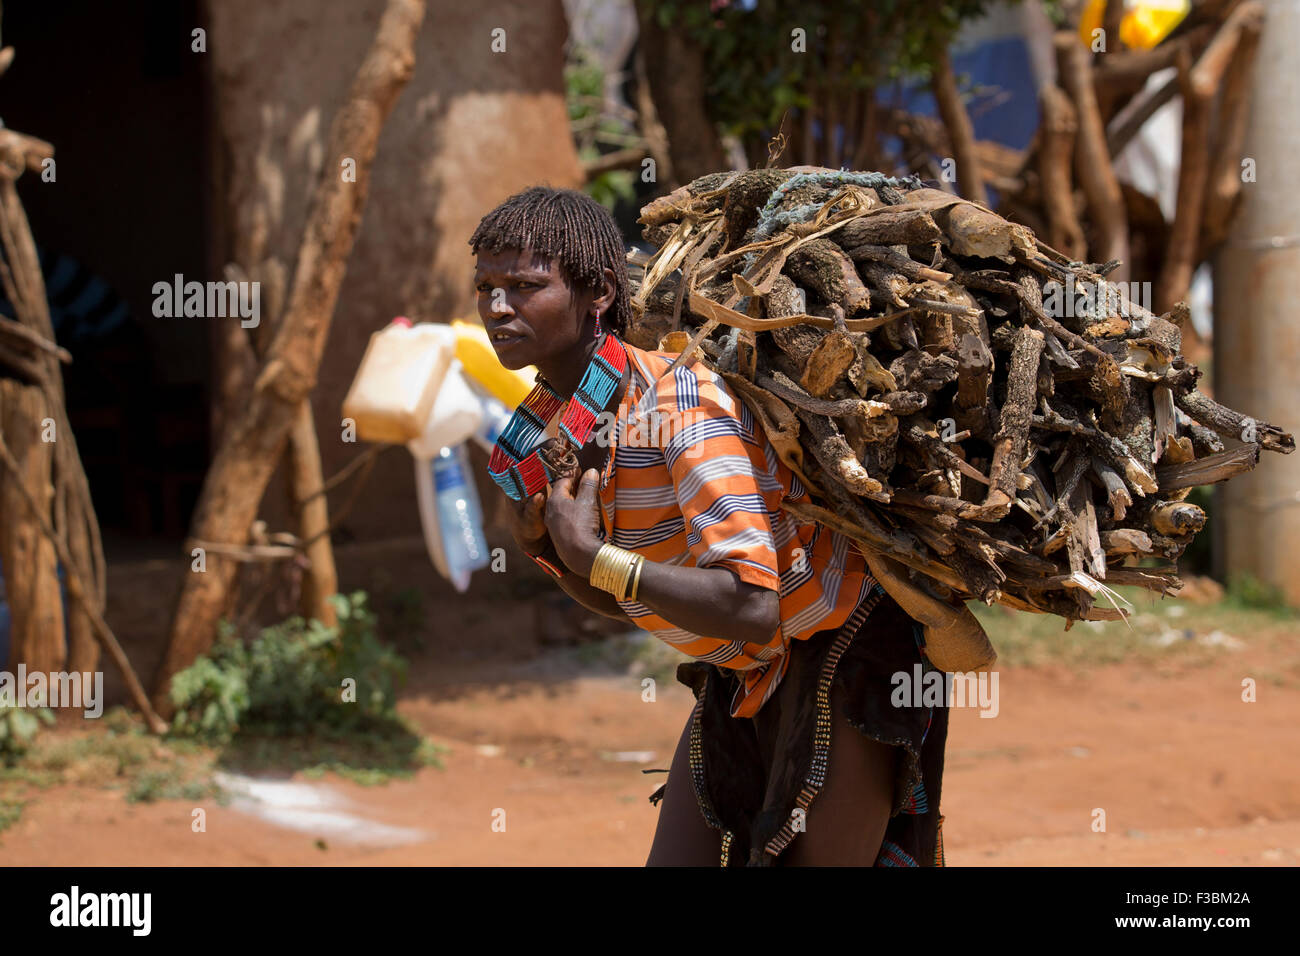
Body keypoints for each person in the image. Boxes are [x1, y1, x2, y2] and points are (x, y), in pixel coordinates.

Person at [469, 185, 995, 866]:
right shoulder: (560, 435)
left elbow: (752, 603)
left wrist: (588, 551)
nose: (497, 307)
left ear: (598, 291)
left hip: (843, 646)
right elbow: (623, 596)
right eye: (485, 287)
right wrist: (545, 547)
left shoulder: (678, 402)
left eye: (523, 285)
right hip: (742, 673)